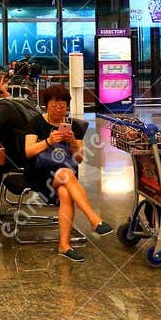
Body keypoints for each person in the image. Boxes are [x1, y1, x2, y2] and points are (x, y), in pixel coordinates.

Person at [22, 85, 112, 261]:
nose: (58, 109)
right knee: (66, 174)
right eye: (54, 105)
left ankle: (64, 245)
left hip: (65, 174)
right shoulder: (35, 122)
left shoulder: (73, 126)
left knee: (65, 192)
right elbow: (28, 151)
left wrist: (72, 142)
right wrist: (48, 141)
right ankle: (94, 219)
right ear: (46, 105)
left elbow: (78, 159)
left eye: (62, 106)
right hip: (40, 174)